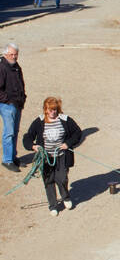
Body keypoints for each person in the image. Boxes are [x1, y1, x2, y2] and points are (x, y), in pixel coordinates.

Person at [22, 96, 82, 215]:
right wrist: (34, 146)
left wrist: (68, 143)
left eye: (55, 109)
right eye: (50, 110)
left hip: (61, 155)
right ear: (45, 109)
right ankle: (53, 205)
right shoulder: (39, 121)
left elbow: (77, 132)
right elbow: (28, 137)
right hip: (45, 158)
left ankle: (66, 197)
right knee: (48, 180)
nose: (53, 112)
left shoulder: (65, 120)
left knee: (62, 178)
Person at [0, 42, 26, 172]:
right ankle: (7, 160)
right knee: (9, 133)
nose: (14, 57)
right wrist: (8, 101)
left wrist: (23, 98)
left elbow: (20, 83)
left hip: (17, 103)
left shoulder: (16, 66)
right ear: (5, 54)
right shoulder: (2, 67)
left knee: (15, 131)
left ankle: (13, 156)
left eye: (16, 54)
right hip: (7, 105)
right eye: (12, 54)